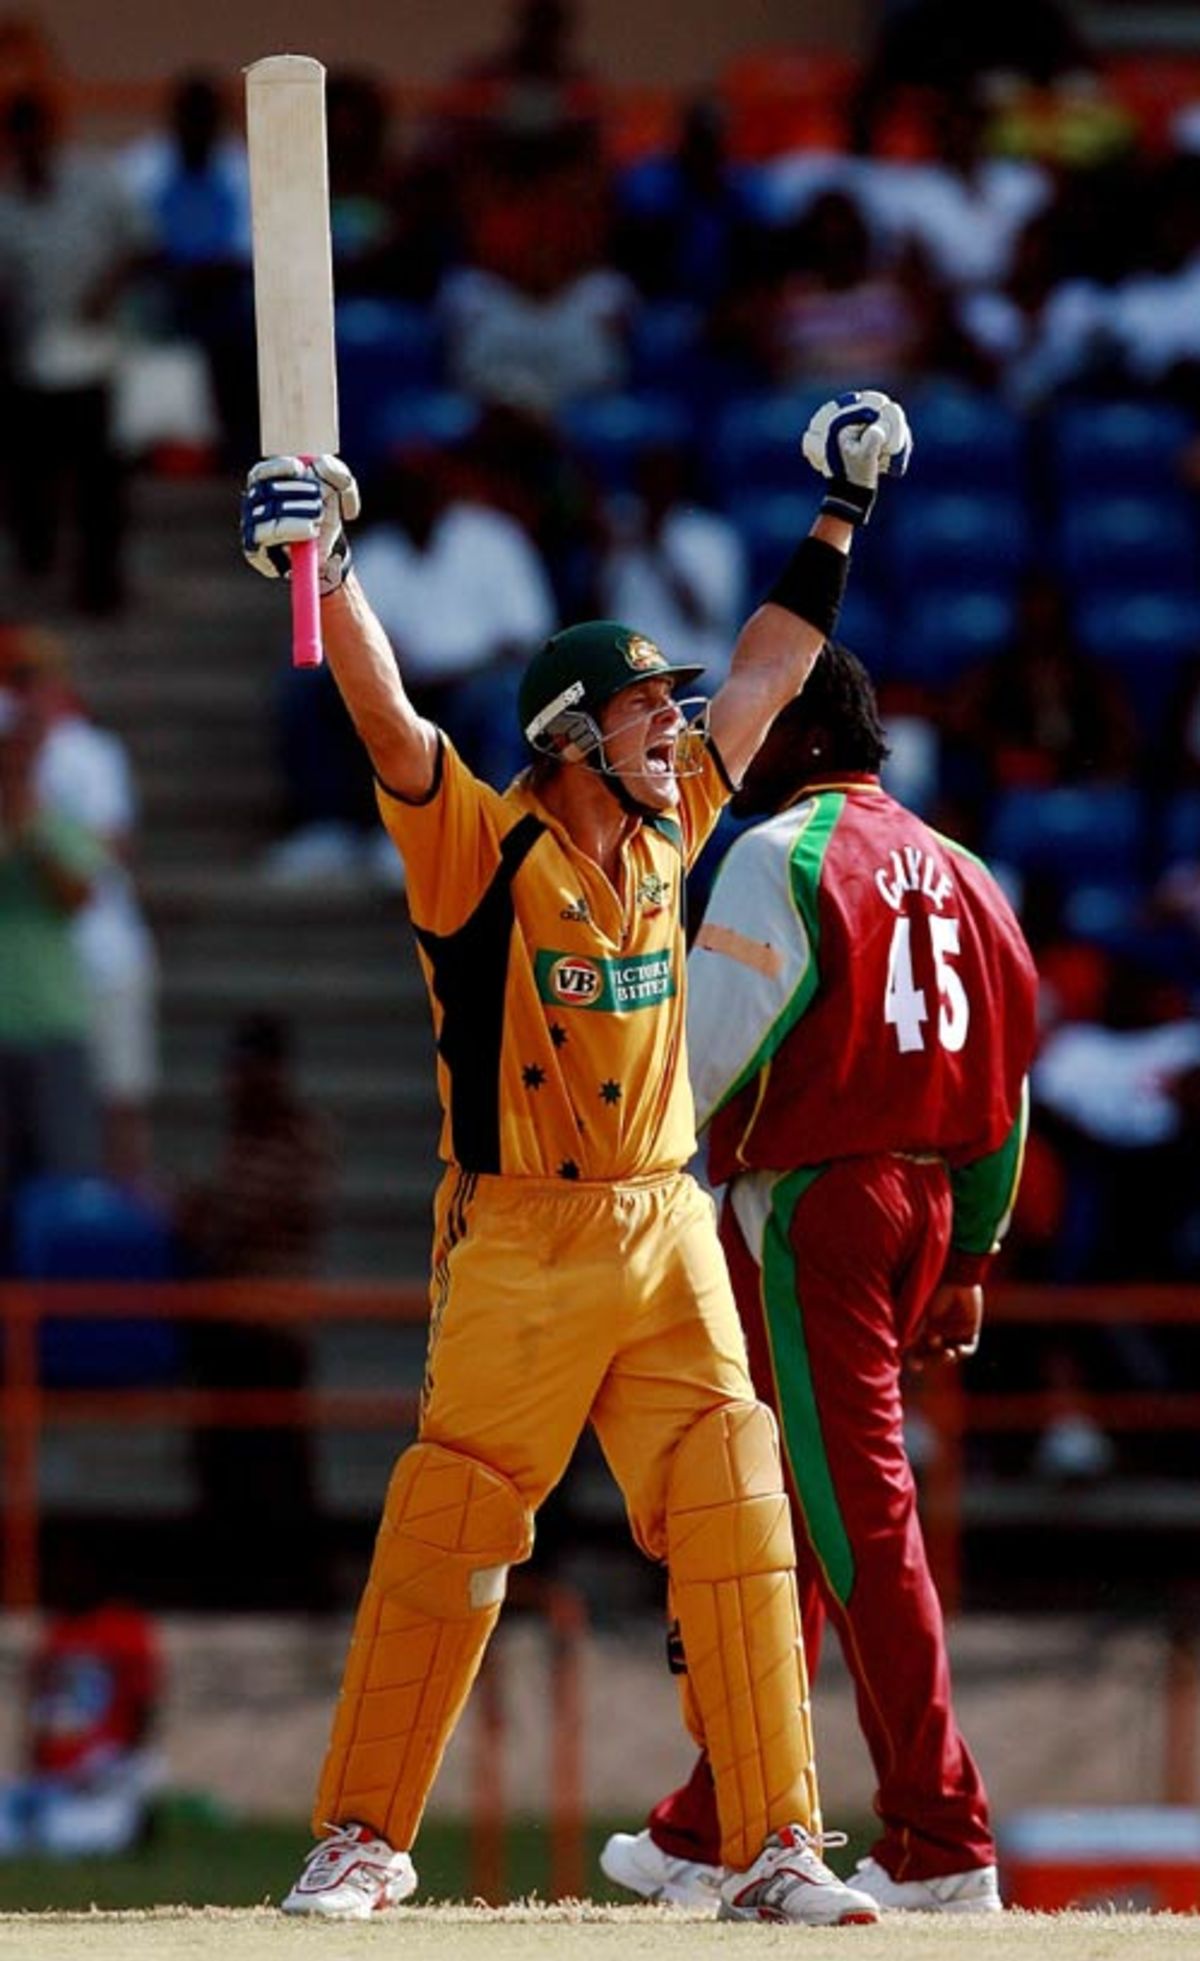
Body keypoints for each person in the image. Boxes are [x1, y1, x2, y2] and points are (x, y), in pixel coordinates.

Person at [240, 388, 912, 1921]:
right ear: (568, 742)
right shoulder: (481, 850)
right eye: (643, 712)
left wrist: (841, 508)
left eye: (669, 710)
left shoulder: (675, 829)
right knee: (458, 1519)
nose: (676, 725)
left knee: (744, 1504)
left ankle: (774, 1845)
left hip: (664, 1224)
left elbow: (767, 664)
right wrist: (330, 571)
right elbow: (391, 726)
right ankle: (358, 1836)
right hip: (521, 1242)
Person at [600, 643, 1039, 1915]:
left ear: (793, 730)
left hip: (813, 1208)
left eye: (746, 716)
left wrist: (634, 1205)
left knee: (854, 1519)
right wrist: (968, 1260)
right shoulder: (968, 867)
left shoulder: (774, 854)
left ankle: (940, 1837)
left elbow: (705, 1071)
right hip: (924, 1205)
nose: (718, 744)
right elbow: (1006, 1088)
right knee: (787, 1512)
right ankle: (715, 1817)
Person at [0, 1593, 164, 1857]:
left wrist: (120, 1763)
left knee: (63, 1833)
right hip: (52, 1779)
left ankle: (128, 1822)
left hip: (102, 1770)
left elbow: (143, 1704)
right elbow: (40, 1708)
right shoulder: (57, 1632)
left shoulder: (126, 1630)